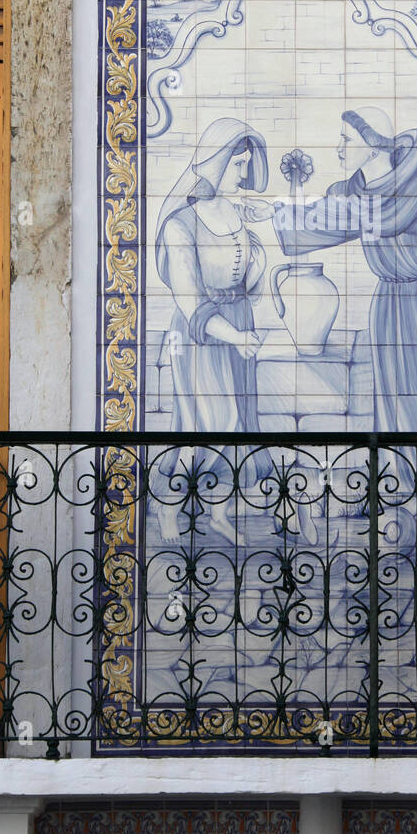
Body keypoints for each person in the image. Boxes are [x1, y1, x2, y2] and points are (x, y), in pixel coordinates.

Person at [246, 107, 417, 508]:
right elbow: (321, 219)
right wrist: (275, 211)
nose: (339, 147)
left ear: (373, 143)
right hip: (389, 306)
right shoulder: (356, 195)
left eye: (346, 139)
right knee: (395, 398)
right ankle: (400, 481)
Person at [151, 116, 271, 545]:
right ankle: (167, 507)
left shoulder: (237, 215)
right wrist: (238, 336)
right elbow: (191, 304)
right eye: (238, 164)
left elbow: (251, 286)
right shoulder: (180, 225)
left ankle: (218, 513)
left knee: (235, 423)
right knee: (201, 428)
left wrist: (259, 242)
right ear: (217, 165)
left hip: (237, 329)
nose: (243, 172)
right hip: (200, 338)